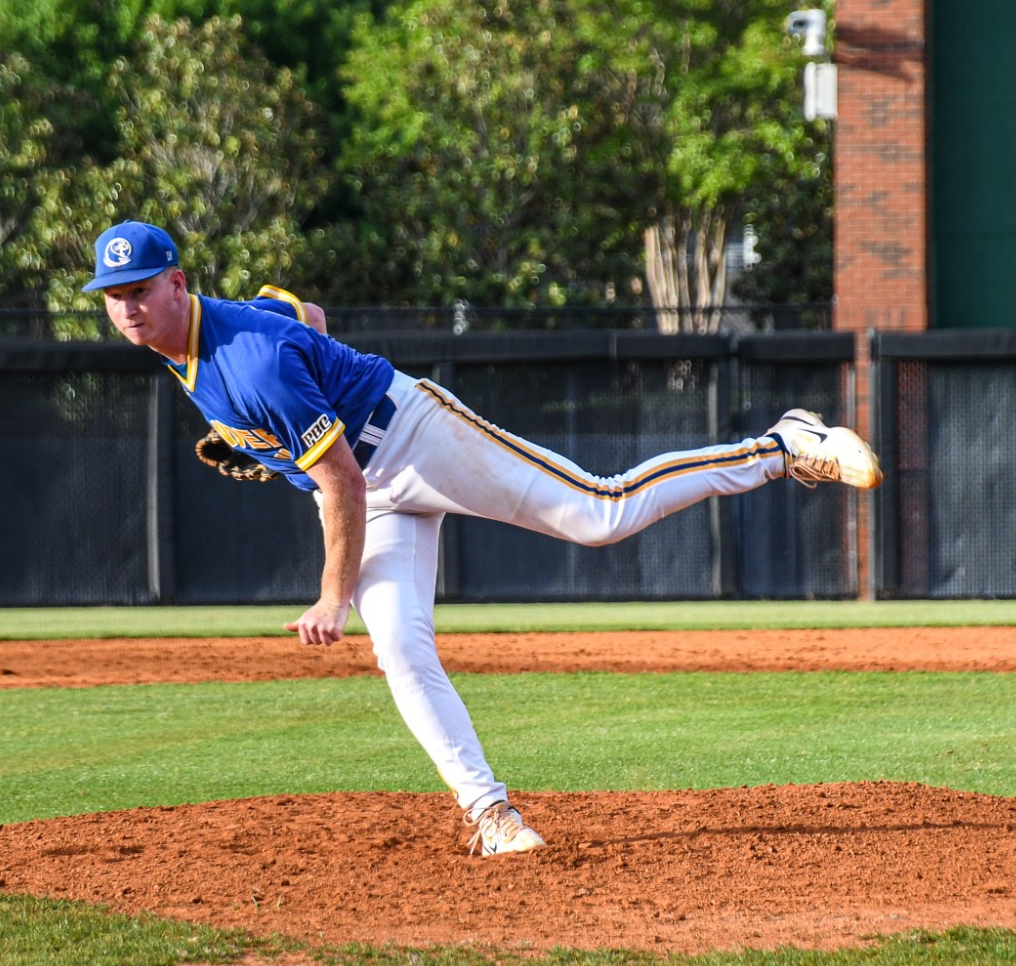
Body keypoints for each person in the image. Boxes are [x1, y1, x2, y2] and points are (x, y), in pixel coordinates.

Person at [87, 220, 882, 856]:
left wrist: (332, 595)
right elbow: (307, 318)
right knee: (399, 647)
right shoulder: (187, 344)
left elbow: (338, 482)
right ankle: (493, 815)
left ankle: (780, 447)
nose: (127, 306)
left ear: (178, 282)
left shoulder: (246, 360)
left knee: (599, 513)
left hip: (412, 437)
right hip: (375, 488)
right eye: (112, 294)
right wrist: (265, 438)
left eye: (140, 289)